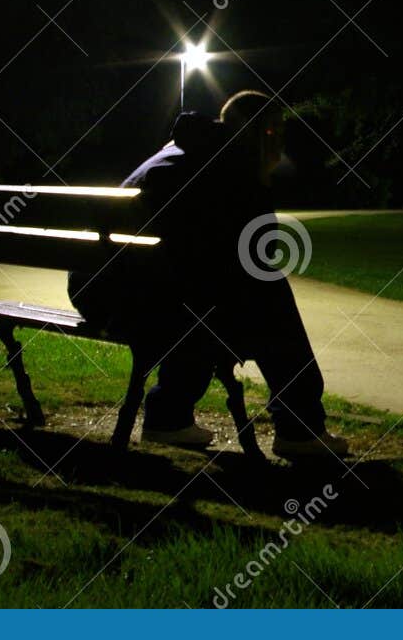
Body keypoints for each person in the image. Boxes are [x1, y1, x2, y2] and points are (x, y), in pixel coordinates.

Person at [70, 91, 348, 461]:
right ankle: (300, 426)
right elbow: (259, 257)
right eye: (274, 132)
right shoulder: (234, 166)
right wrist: (260, 185)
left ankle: (168, 417)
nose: (279, 144)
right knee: (268, 294)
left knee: (203, 300)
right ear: (258, 132)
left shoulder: (179, 150)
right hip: (135, 300)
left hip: (97, 293)